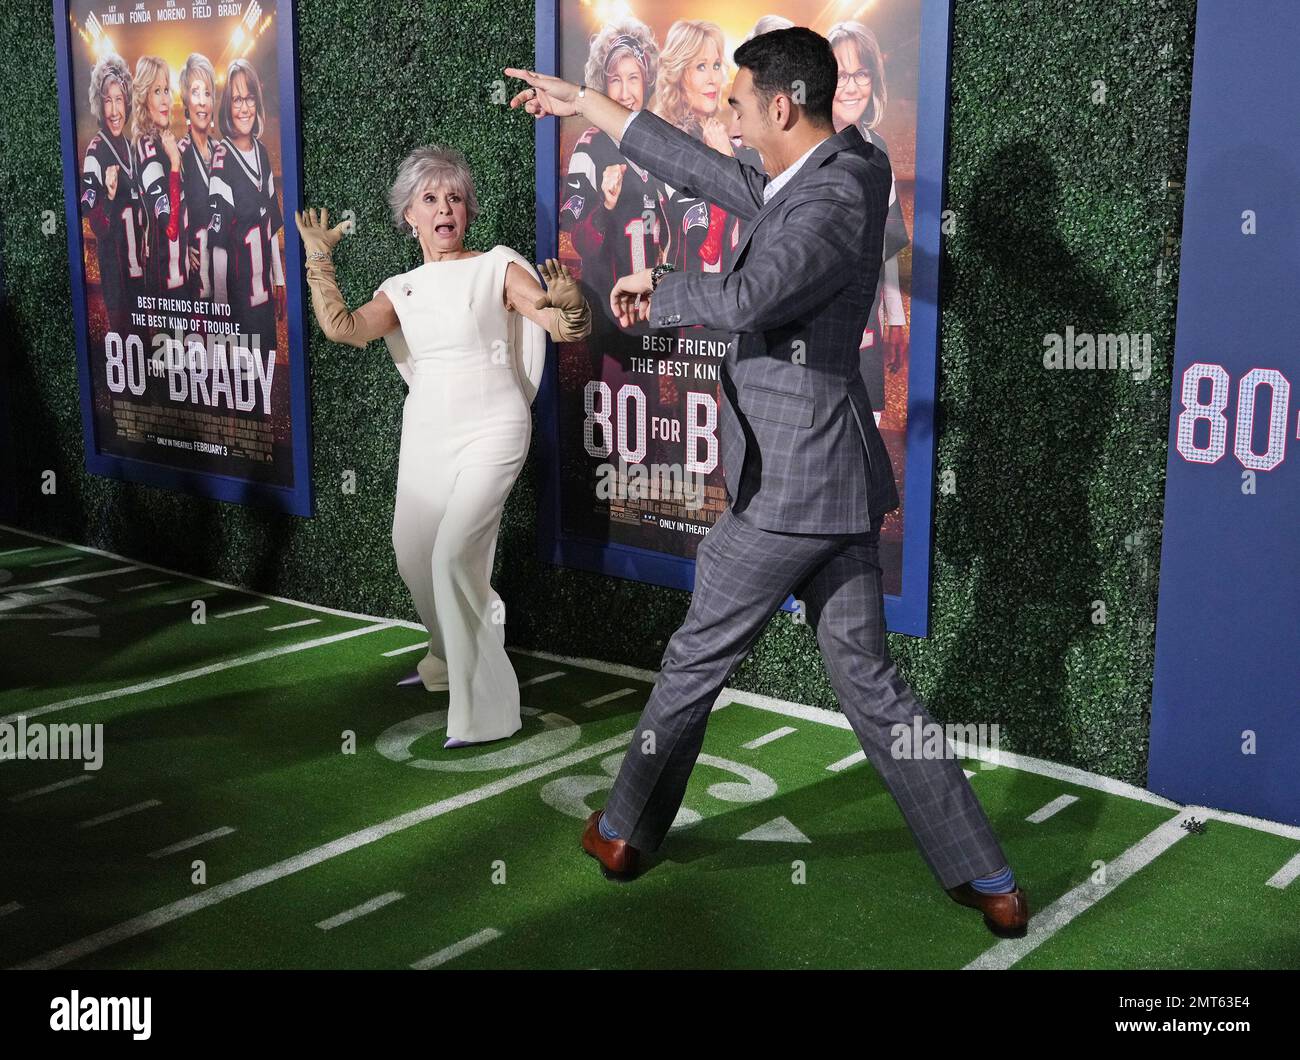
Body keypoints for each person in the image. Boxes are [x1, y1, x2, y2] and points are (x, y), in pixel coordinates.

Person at [505, 26, 1029, 937]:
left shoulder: (827, 203)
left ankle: (624, 830)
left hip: (790, 487)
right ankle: (987, 874)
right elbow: (719, 177)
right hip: (835, 480)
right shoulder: (840, 170)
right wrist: (589, 105)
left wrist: (656, 292)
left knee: (693, 662)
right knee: (870, 683)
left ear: (782, 107)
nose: (731, 119)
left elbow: (754, 298)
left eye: (741, 106)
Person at [294, 144, 592, 748]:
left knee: (452, 557)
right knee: (413, 553)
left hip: (495, 428)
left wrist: (571, 306)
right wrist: (319, 261)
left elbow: (559, 326)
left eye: (454, 197)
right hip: (427, 430)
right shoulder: (400, 288)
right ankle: (443, 660)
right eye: (430, 199)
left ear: (468, 210)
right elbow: (344, 329)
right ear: (409, 214)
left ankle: (487, 710)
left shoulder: (497, 268)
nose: (444, 209)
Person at [829, 21, 910, 426]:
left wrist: (895, 318)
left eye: (861, 73)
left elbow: (887, 241)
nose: (851, 86)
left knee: (867, 440)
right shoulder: (801, 146)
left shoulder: (877, 149)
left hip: (866, 332)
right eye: (841, 74)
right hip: (813, 337)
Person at [210, 58, 285, 361]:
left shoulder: (262, 153)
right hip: (238, 300)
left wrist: (279, 280)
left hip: (263, 297)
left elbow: (268, 229)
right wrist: (219, 307)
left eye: (249, 97)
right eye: (237, 99)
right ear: (227, 105)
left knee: (265, 374)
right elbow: (218, 248)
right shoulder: (221, 158)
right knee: (245, 386)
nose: (244, 107)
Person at [80, 53, 145, 344]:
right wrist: (107, 195)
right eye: (108, 100)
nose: (115, 109)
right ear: (99, 104)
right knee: (124, 341)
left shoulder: (131, 147)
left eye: (119, 99)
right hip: (117, 278)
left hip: (138, 272)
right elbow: (93, 220)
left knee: (145, 344)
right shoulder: (96, 152)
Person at [130, 56, 185, 300]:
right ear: (144, 99)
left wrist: (189, 247)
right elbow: (170, 227)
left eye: (166, 90)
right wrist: (175, 164)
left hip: (179, 269)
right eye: (156, 91)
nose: (165, 100)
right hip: (164, 277)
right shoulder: (146, 145)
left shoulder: (163, 139)